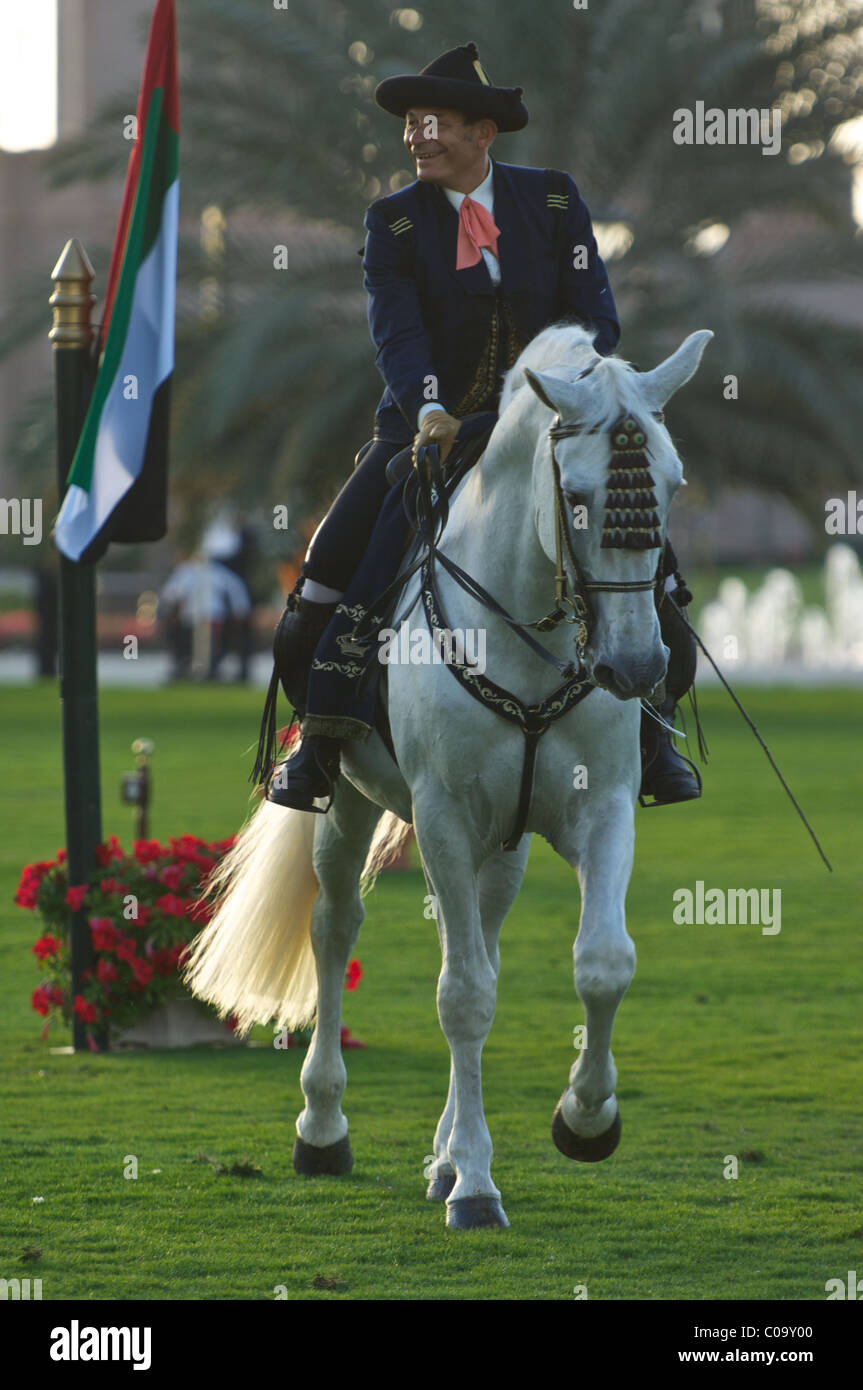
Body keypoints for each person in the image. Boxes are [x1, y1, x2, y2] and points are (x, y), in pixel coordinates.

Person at [266, 42, 700, 811]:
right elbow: (396, 332)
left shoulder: (555, 202)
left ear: (482, 134)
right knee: (331, 573)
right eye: (408, 123)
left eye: (432, 121)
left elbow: (594, 314)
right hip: (424, 430)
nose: (415, 136)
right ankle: (321, 745)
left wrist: (573, 392)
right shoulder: (392, 222)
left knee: (651, 563)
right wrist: (430, 405)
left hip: (547, 427)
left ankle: (653, 734)